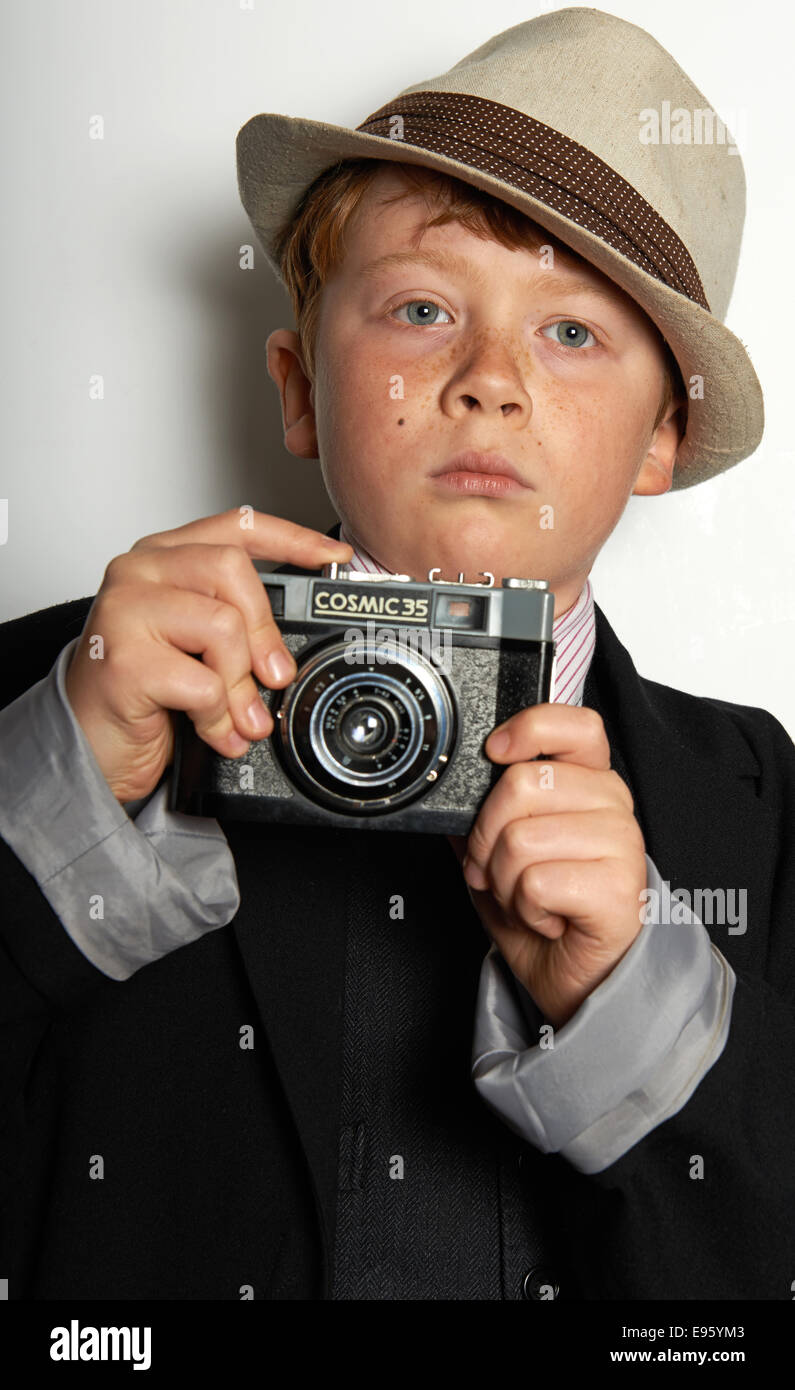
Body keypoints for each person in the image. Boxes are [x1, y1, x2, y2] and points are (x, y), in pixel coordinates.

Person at [1, 9, 792, 1301]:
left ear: (664, 438)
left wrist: (643, 1012)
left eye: (573, 331)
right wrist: (48, 820)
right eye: (424, 308)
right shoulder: (60, 704)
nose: (490, 379)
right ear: (300, 385)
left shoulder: (763, 803)